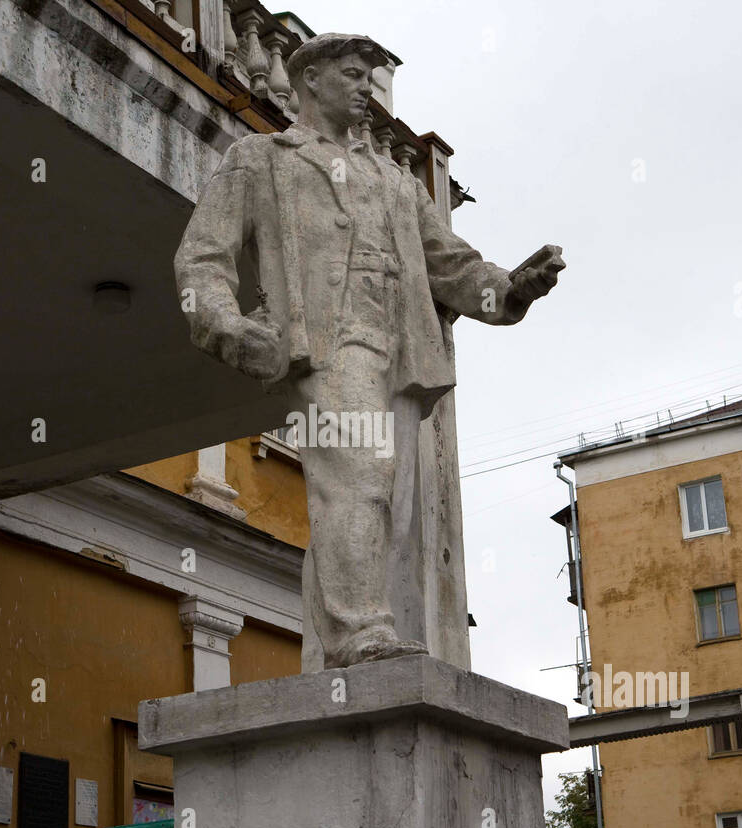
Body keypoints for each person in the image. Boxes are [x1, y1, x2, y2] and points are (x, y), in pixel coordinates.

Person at [175, 33, 564, 669]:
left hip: (400, 350)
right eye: (353, 75)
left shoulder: (395, 181)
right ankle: (359, 634)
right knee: (360, 481)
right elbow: (203, 256)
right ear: (308, 81)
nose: (366, 90)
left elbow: (453, 266)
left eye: (369, 78)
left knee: (387, 509)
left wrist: (507, 290)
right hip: (327, 347)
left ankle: (338, 644)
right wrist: (226, 326)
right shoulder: (261, 160)